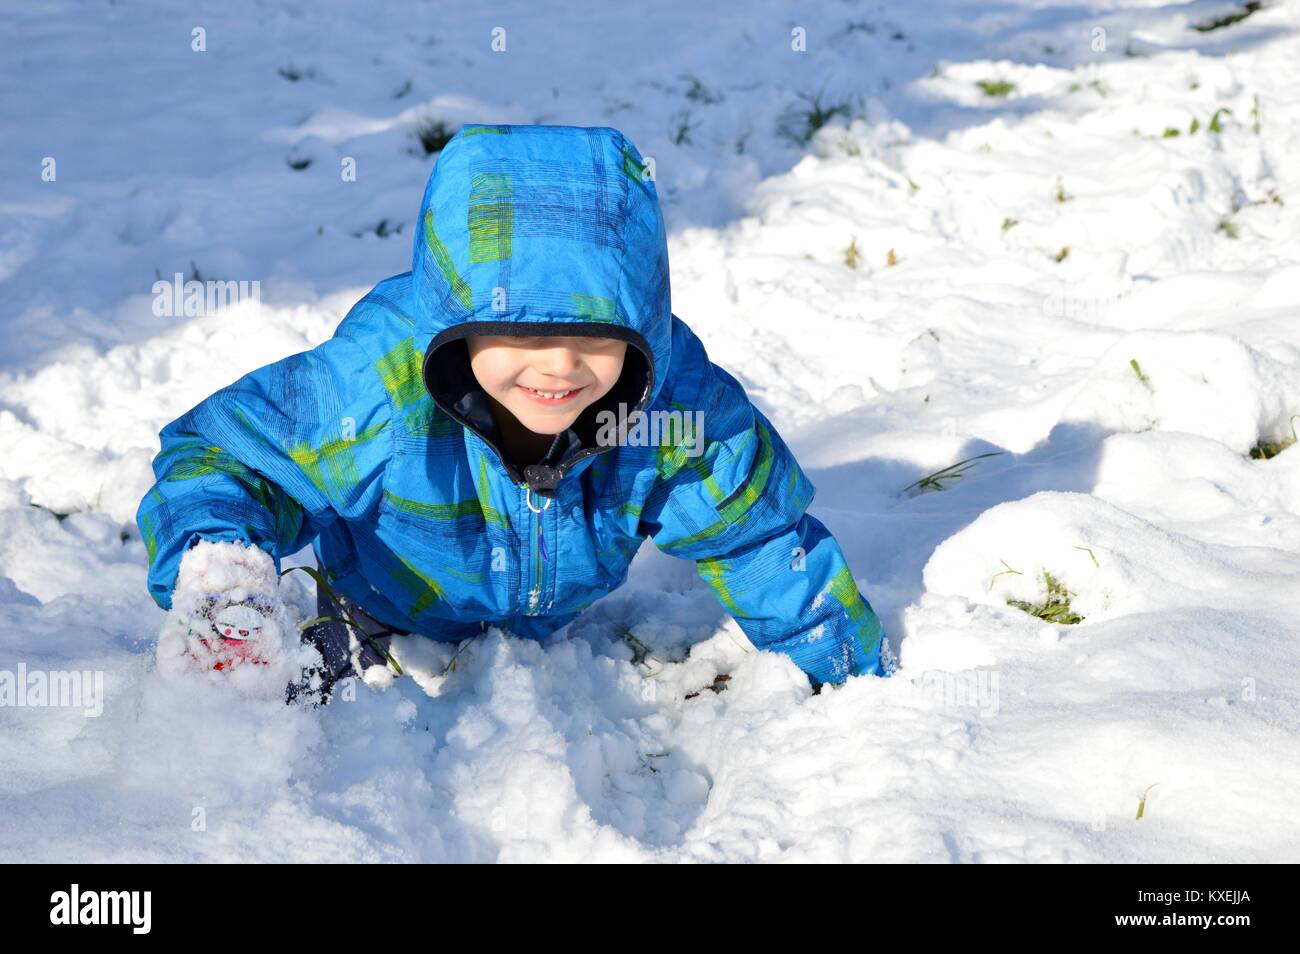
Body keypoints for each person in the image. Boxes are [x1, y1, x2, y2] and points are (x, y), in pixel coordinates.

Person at [136, 122, 897, 704]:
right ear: (456, 320)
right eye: (521, 335)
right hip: (379, 605)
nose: (559, 367)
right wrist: (224, 569)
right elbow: (226, 456)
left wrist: (856, 682)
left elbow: (758, 538)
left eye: (595, 339)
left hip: (550, 624)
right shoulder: (375, 390)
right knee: (311, 684)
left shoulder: (673, 407)